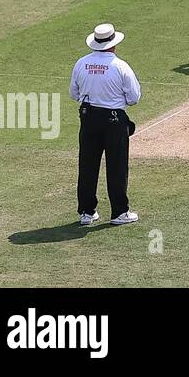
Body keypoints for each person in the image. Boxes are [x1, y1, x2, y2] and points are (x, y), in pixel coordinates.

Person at [70, 23, 141, 226]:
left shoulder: (81, 63)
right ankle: (119, 212)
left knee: (87, 165)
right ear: (114, 45)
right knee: (117, 166)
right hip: (113, 120)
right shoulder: (120, 66)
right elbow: (134, 97)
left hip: (88, 118)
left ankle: (86, 212)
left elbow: (73, 93)